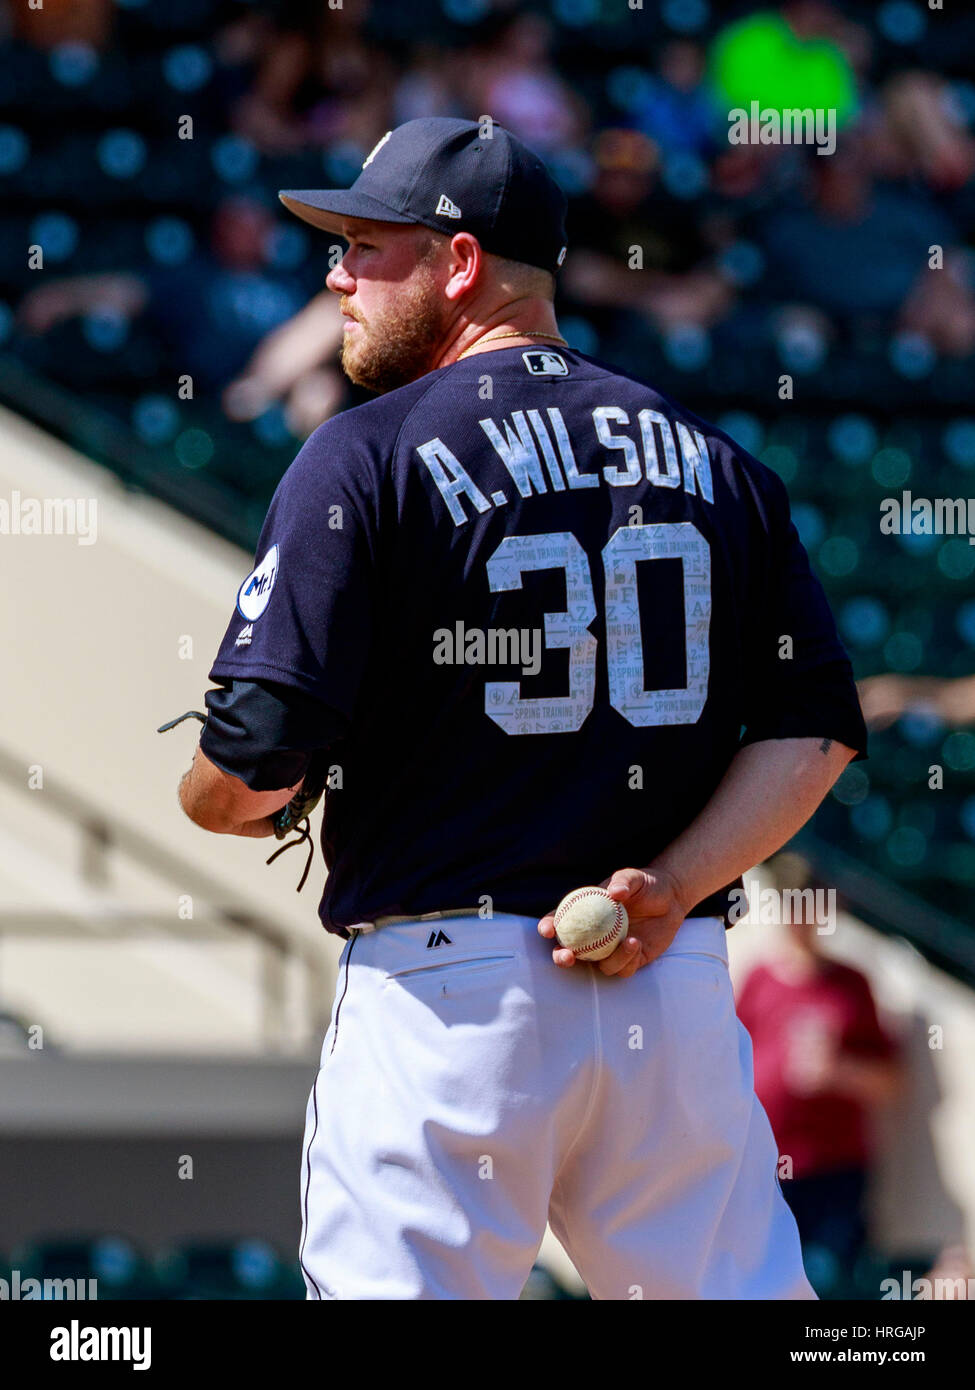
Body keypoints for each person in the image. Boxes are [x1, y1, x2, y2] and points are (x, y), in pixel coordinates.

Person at [174, 116, 869, 1301]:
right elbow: (813, 732)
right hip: (671, 991)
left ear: (457, 265)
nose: (336, 273)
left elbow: (250, 761)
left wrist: (211, 797)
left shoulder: (366, 453)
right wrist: (678, 883)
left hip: (452, 1008)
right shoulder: (716, 459)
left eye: (364, 244)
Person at [735, 852, 902, 1297]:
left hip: (835, 1172)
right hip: (766, 1168)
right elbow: (729, 1068)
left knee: (827, 1281)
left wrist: (838, 1071)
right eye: (789, 906)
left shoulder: (852, 984)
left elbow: (890, 1082)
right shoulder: (758, 981)